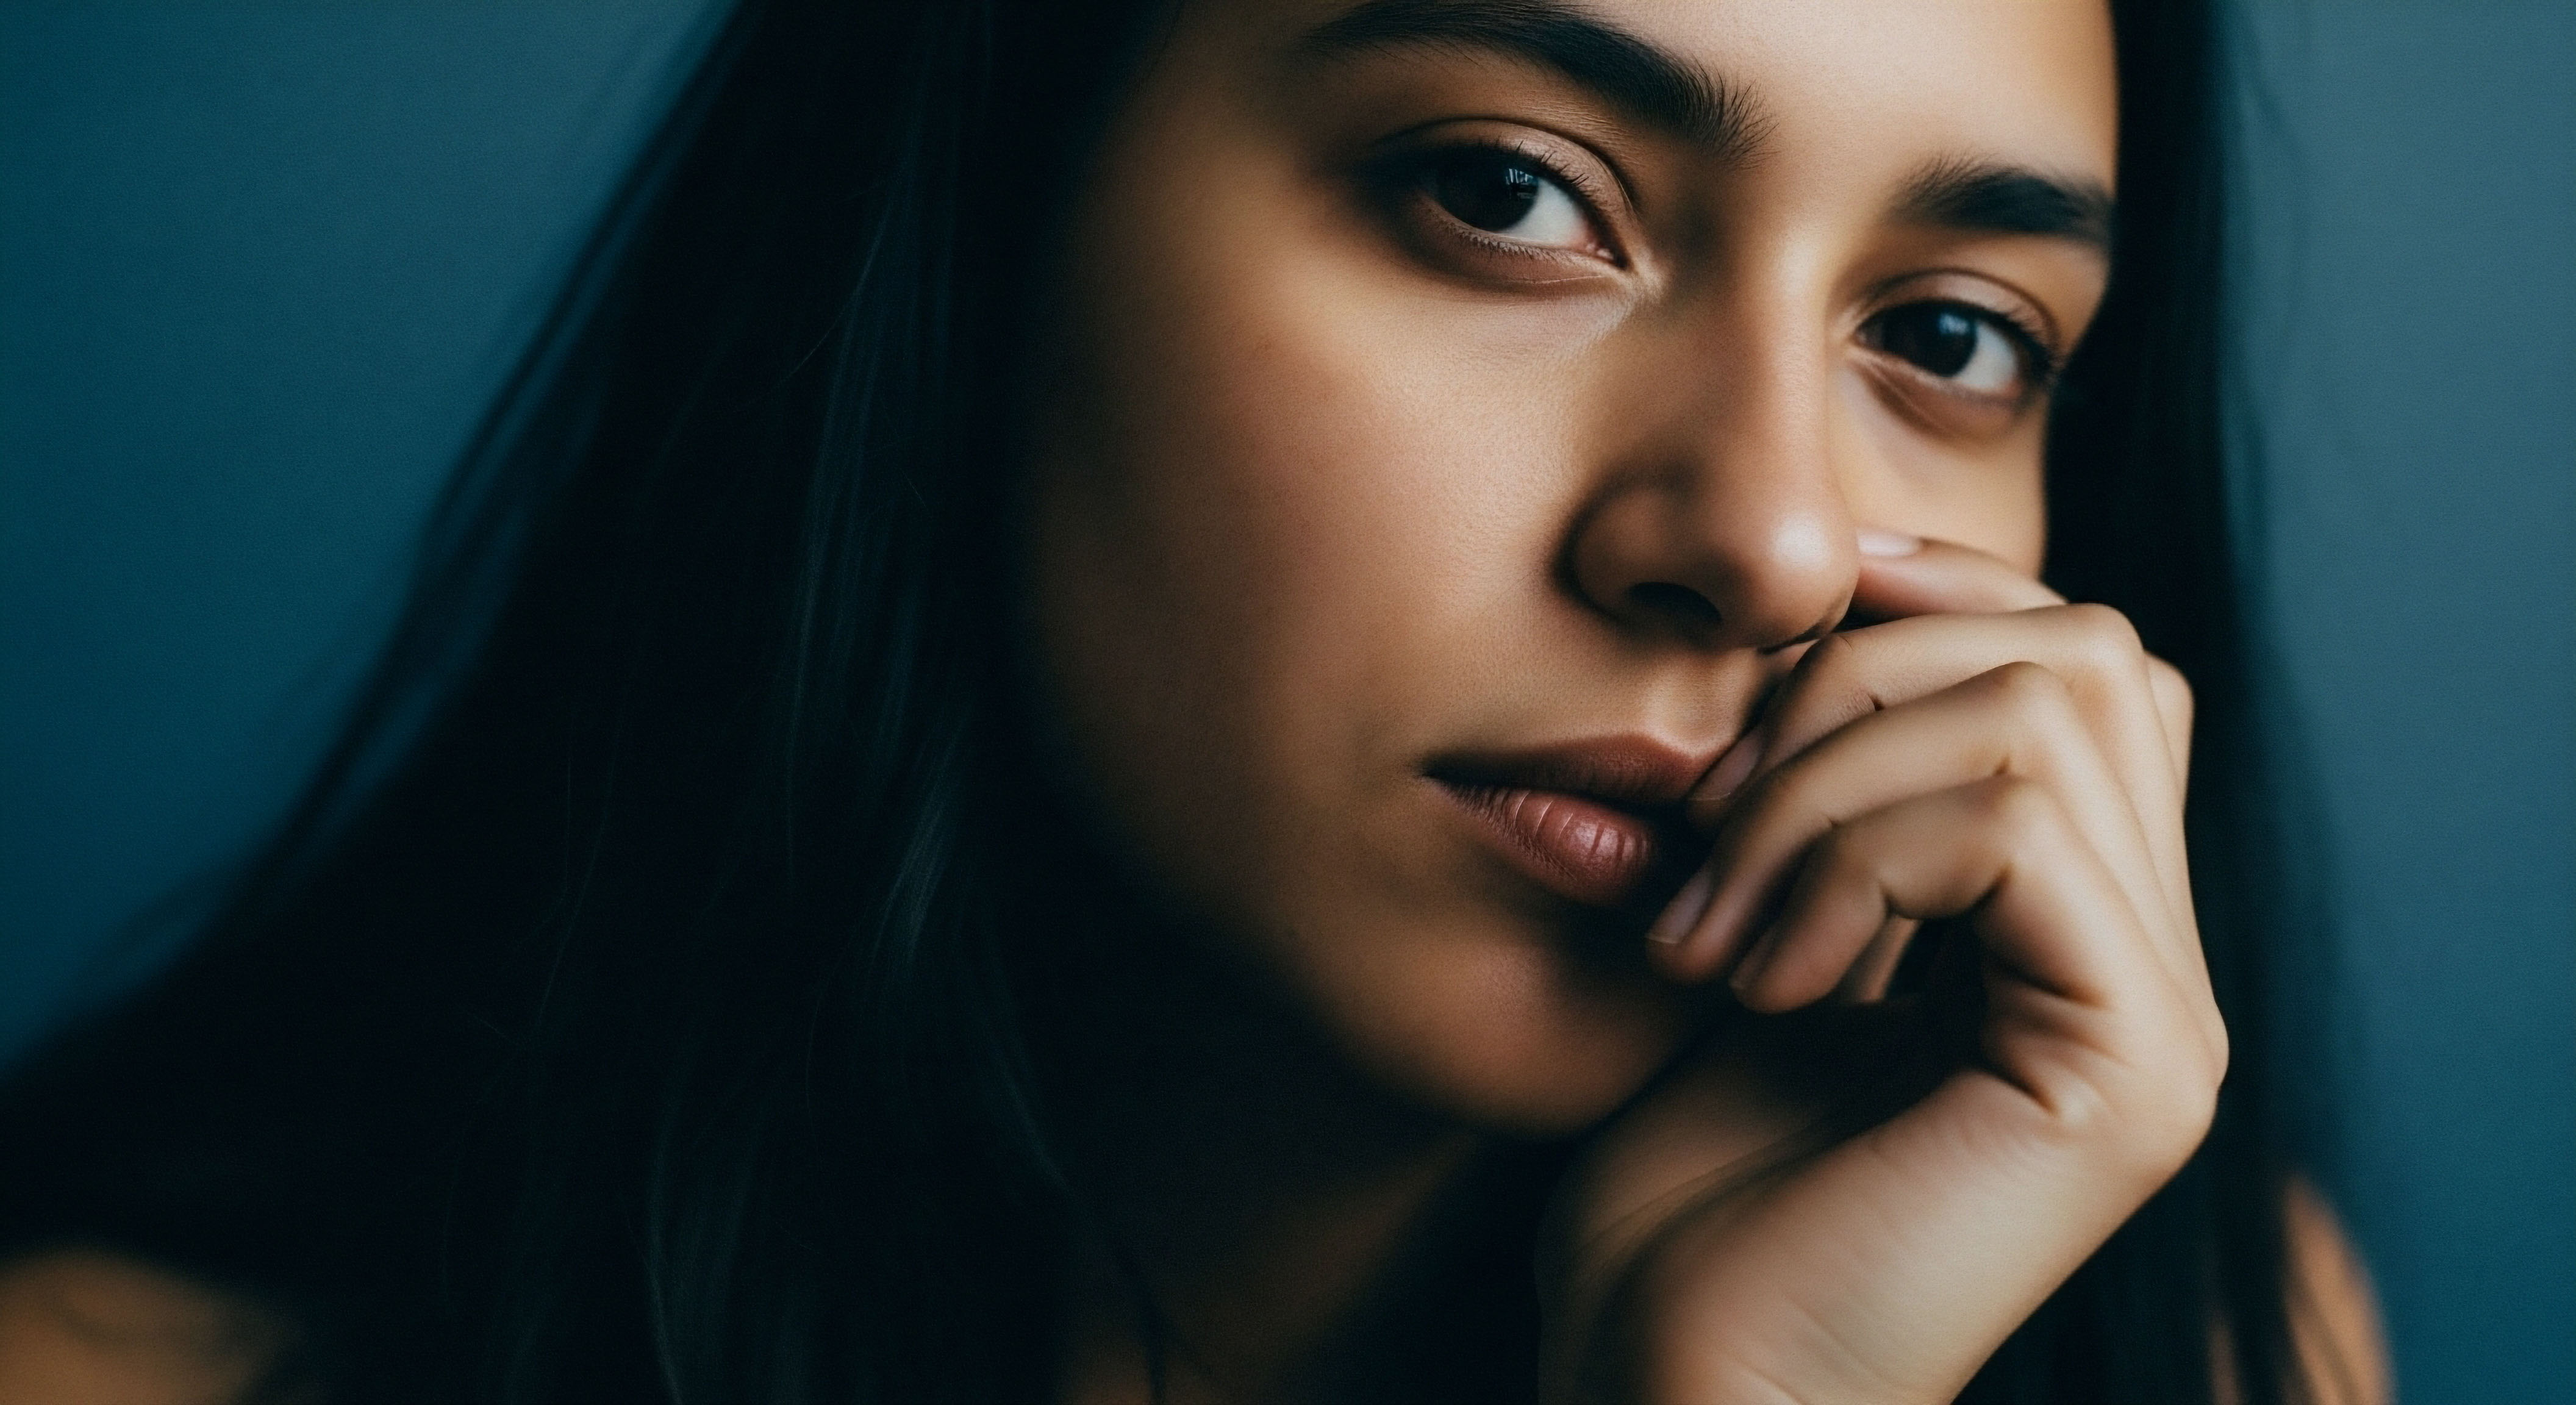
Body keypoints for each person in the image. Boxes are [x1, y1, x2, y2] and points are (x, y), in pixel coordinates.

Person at [0, 1, 2391, 1400]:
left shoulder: (2174, 1336)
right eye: (1506, 193)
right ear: (987, 213)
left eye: (1951, 335)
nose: (1768, 541)